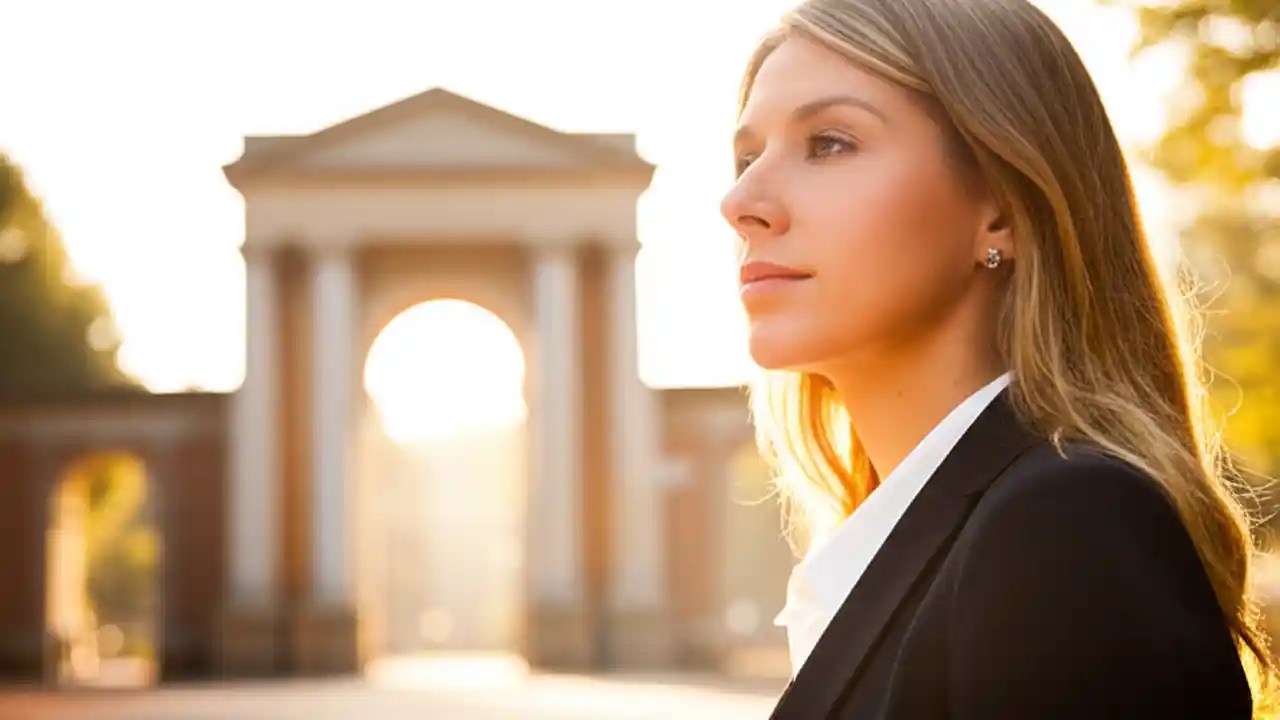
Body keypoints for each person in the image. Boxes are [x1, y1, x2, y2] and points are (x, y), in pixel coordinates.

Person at [720, 0, 1275, 717]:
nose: (740, 201)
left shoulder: (1064, 528)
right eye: (746, 157)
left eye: (828, 142)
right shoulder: (931, 549)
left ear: (1002, 211)